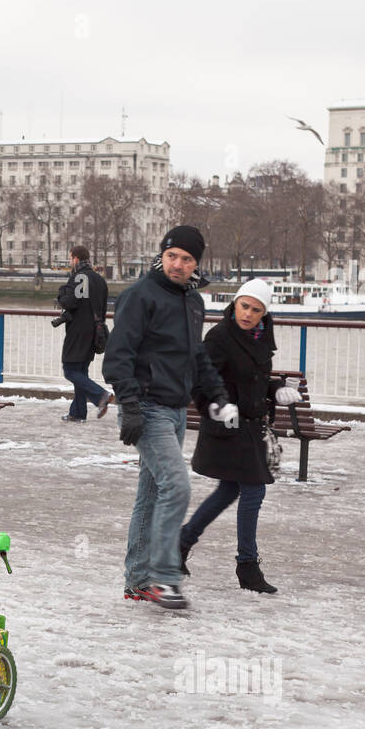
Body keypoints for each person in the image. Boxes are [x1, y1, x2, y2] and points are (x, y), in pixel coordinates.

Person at [102, 225, 237, 610]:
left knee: (151, 494)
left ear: (197, 263)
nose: (178, 264)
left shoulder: (193, 303)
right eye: (172, 255)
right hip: (146, 408)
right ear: (161, 255)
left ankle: (138, 581)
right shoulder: (139, 296)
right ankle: (164, 578)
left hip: (176, 410)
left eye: (187, 258)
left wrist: (218, 398)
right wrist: (129, 405)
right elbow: (118, 357)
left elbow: (196, 357)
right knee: (177, 487)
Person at [179, 279, 301, 593]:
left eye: (256, 309)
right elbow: (200, 380)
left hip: (249, 427)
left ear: (264, 313)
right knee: (253, 491)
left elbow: (253, 381)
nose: (248, 313)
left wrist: (277, 390)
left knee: (228, 491)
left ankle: (180, 544)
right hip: (228, 427)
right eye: (244, 305)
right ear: (235, 304)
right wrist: (217, 407)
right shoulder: (219, 338)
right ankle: (247, 566)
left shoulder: (260, 337)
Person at [55, 245, 112, 422]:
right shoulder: (99, 280)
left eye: (71, 258)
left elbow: (71, 302)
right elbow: (102, 309)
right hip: (96, 331)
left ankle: (100, 395)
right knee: (81, 371)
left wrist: (61, 296)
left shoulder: (80, 277)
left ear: (76, 259)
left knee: (70, 370)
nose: (71, 262)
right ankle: (77, 413)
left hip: (78, 331)